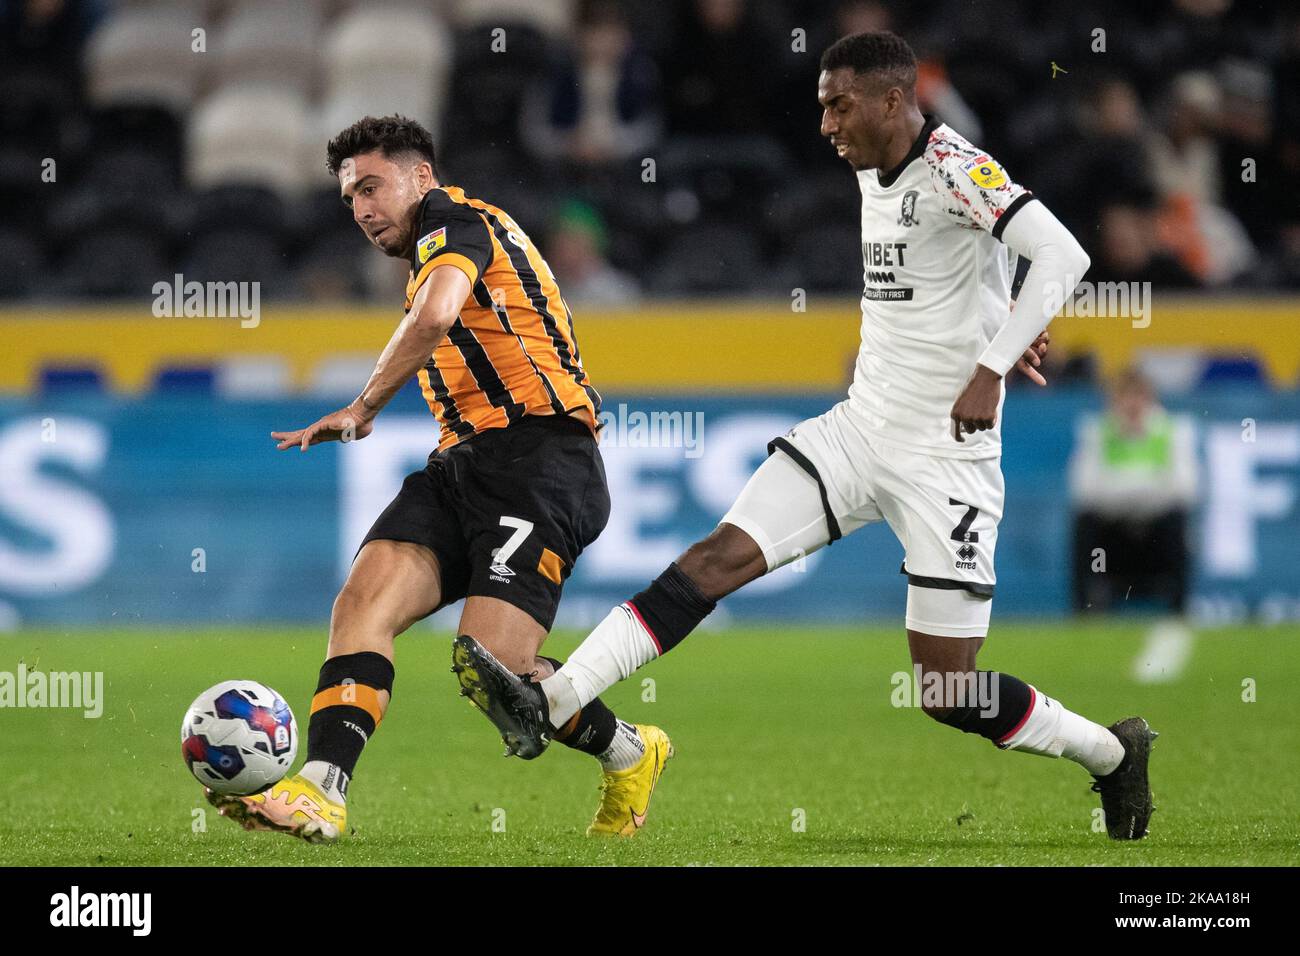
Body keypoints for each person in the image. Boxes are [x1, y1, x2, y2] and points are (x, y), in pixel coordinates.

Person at [456, 32, 1160, 841]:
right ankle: (557, 697)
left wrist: (994, 363)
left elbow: (1063, 255)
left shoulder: (955, 168)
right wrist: (1000, 316)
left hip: (948, 459)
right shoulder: (870, 166)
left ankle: (1111, 752)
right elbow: (965, 270)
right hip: (858, 430)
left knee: (948, 693)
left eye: (839, 104)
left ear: (893, 100)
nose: (825, 122)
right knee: (712, 561)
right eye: (822, 103)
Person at [204, 115, 671, 843]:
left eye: (370, 186)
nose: (360, 209)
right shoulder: (438, 245)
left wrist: (363, 408)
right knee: (360, 604)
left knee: (500, 669)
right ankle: (322, 793)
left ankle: (632, 751)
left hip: (543, 462)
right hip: (464, 464)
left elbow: (436, 317)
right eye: (349, 197)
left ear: (420, 177)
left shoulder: (455, 224)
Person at [1070, 367, 1197, 617]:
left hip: (1156, 534)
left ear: (1150, 399)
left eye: (1138, 397)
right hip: (1112, 535)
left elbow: (1185, 489)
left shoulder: (1172, 431)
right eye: (1125, 397)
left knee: (1178, 522)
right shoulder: (1097, 432)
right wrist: (1148, 485)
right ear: (1114, 401)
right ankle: (1084, 612)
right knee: (1084, 524)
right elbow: (1084, 492)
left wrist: (1121, 489)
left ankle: (1180, 611)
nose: (1132, 405)